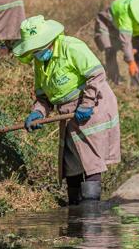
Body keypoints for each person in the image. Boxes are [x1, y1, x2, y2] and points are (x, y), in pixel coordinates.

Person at [13, 16, 120, 204]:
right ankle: (74, 208)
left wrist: (86, 104)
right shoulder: (40, 62)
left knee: (91, 158)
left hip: (93, 106)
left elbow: (96, 75)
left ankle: (90, 210)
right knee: (71, 162)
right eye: (33, 51)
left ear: (49, 42)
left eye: (38, 50)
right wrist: (38, 112)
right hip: (67, 114)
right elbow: (43, 97)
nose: (36, 55)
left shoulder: (71, 47)